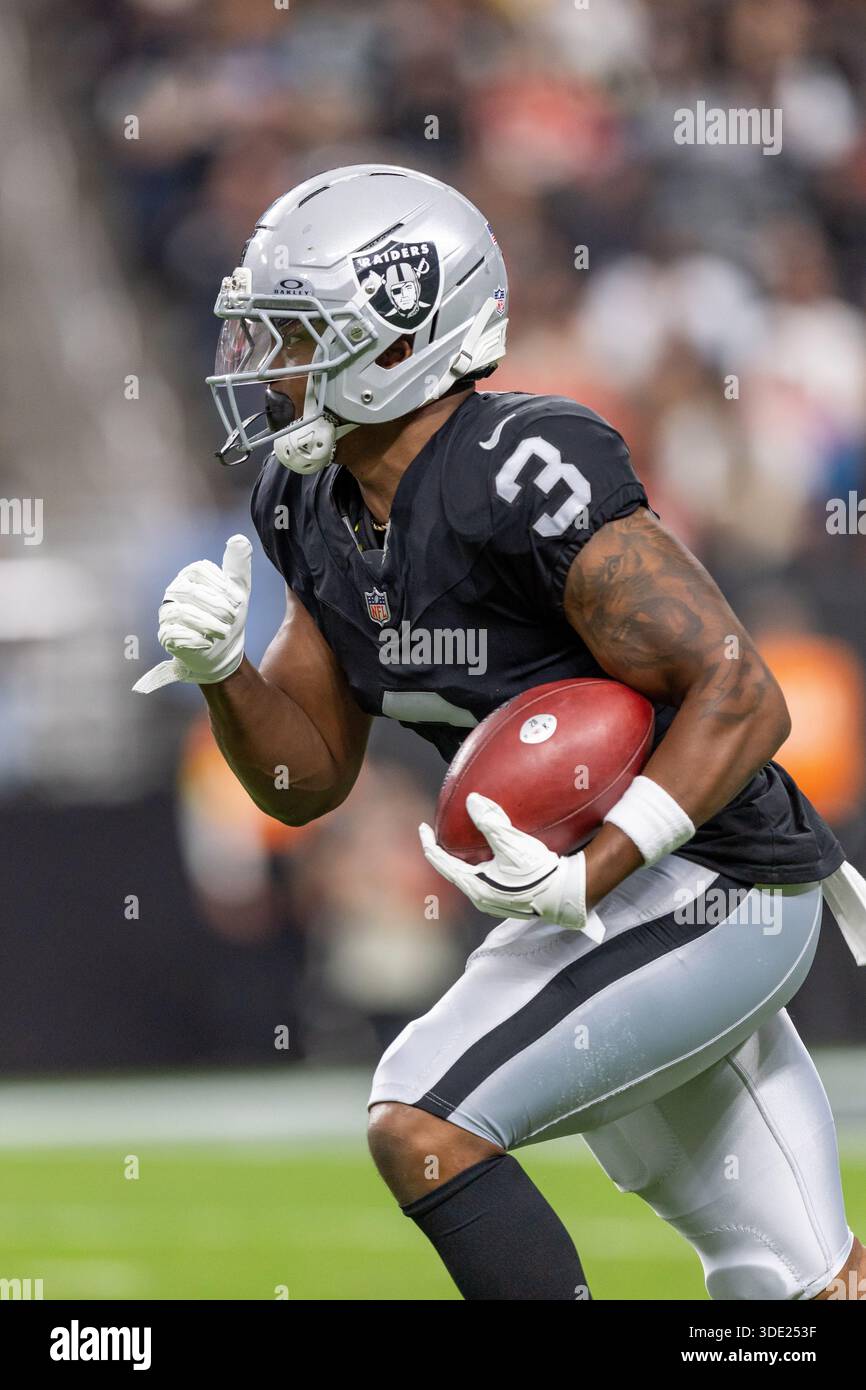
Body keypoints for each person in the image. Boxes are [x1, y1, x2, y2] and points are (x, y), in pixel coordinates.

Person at [135, 164, 866, 1301]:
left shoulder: (520, 467)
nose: (267, 368)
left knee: (422, 1120)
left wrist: (593, 871)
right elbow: (302, 777)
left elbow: (737, 689)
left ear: (396, 340)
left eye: (295, 334)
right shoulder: (305, 504)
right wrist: (223, 672)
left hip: (706, 876)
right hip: (597, 889)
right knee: (784, 1278)